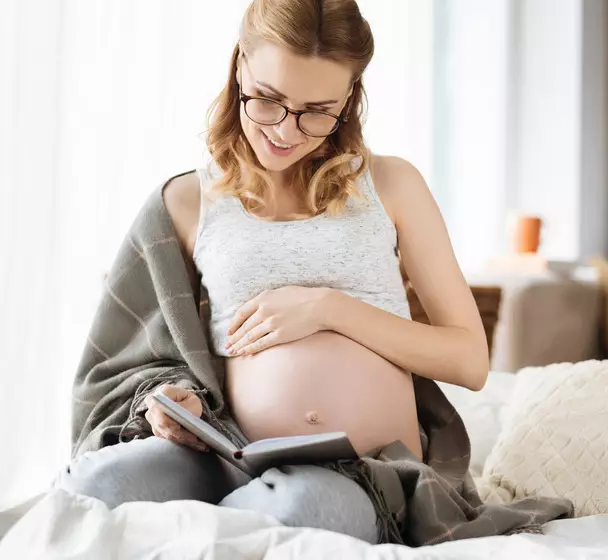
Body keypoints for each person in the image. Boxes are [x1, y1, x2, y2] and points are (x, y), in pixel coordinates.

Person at [56, 0, 489, 544]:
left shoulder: (392, 185)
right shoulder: (187, 202)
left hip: (363, 470)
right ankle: (221, 515)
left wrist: (329, 308)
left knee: (306, 507)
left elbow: (470, 360)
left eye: (317, 109)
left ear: (350, 97)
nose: (286, 130)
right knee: (98, 484)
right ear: (240, 67)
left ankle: (212, 526)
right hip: (226, 450)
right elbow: (137, 359)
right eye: (267, 99)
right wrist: (172, 402)